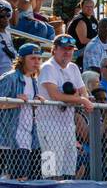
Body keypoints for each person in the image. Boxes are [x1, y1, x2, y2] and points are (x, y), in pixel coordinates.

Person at [37, 35, 93, 179]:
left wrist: (80, 98)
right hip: (48, 125)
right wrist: (80, 99)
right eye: (63, 49)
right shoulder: (48, 67)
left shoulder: (73, 68)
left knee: (68, 169)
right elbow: (55, 95)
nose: (67, 52)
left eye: (70, 49)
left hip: (68, 125)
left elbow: (83, 92)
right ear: (54, 49)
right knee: (50, 171)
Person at [0, 43, 44, 179]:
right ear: (22, 59)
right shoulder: (10, 77)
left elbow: (27, 107)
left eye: (39, 58)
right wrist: (15, 101)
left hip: (29, 136)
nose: (36, 62)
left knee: (24, 178)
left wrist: (35, 102)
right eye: (32, 58)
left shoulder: (34, 80)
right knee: (17, 178)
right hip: (11, 137)